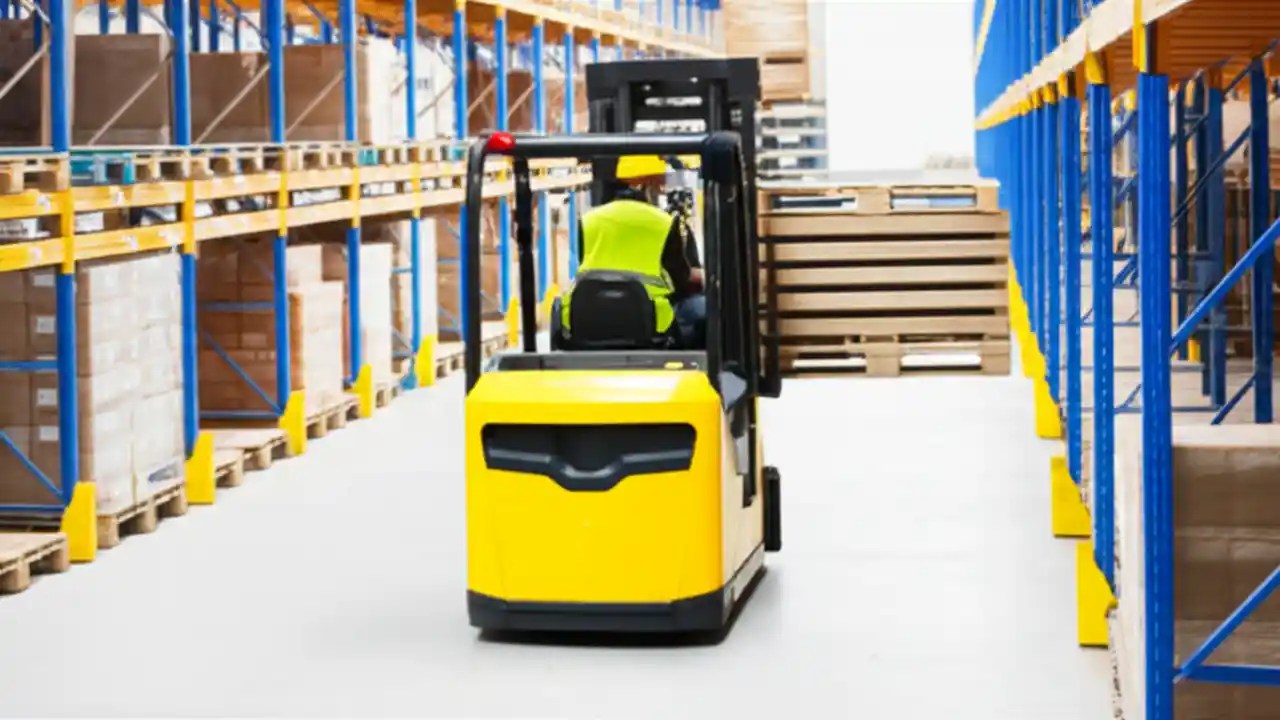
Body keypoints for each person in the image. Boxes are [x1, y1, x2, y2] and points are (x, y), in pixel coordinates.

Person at [565, 155, 706, 348]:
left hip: (590, 317)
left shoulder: (589, 220)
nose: (661, 189)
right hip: (650, 322)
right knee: (701, 309)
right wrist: (703, 276)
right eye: (657, 183)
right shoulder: (663, 222)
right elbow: (680, 279)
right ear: (642, 184)